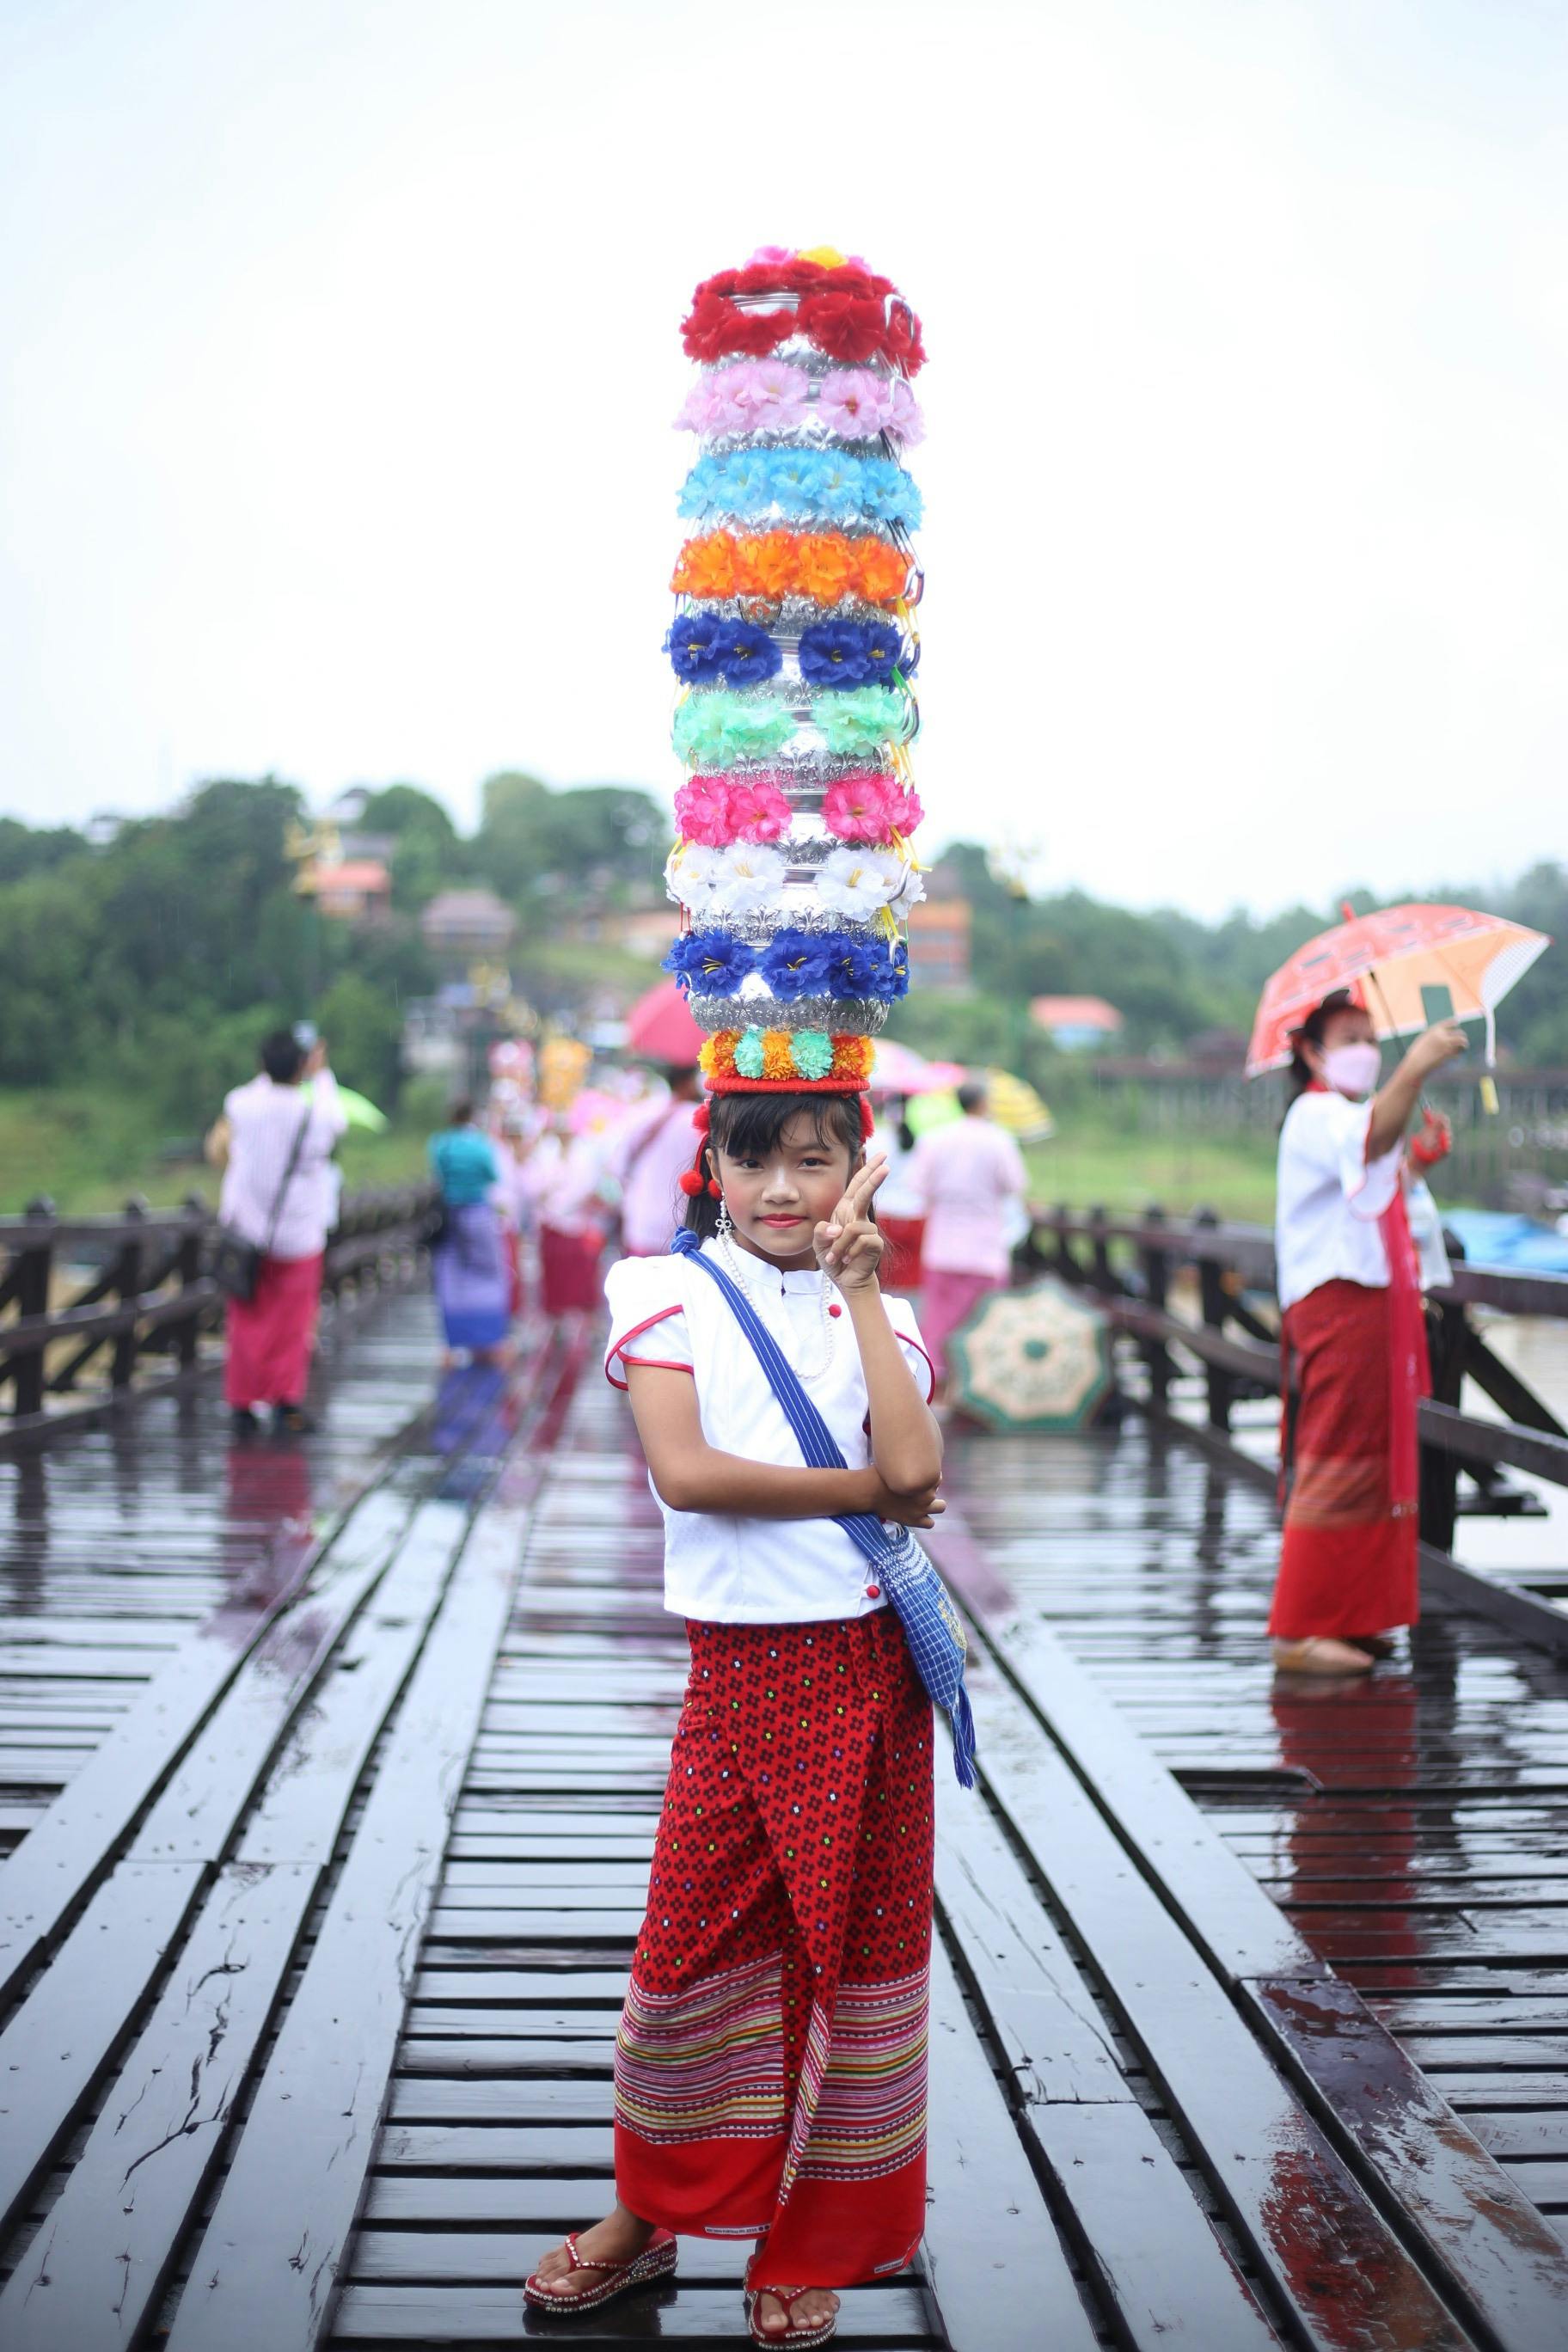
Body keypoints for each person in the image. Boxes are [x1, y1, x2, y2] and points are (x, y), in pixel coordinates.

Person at [524, 1088, 942, 2346]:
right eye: (754, 1161)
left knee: (849, 1960)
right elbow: (688, 1475)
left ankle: (802, 2243)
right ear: (710, 1164)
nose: (780, 1190)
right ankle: (649, 2213)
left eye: (814, 1163)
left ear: (858, 1173)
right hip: (738, 1670)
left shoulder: (896, 1314)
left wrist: (862, 1290)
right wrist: (866, 1485)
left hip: (870, 1671)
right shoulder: (661, 1288)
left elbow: (923, 1467)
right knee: (688, 1952)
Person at [1270, 989, 1465, 1675]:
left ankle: (1349, 1617)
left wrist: (1419, 1163)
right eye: (1350, 1035)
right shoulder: (1317, 1113)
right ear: (1311, 1050)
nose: (1364, 1047)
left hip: (1366, 1302)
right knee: (1336, 1455)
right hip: (1338, 1301)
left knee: (1372, 1462)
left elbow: (1373, 1178)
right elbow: (1372, 1140)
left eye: (1371, 1035)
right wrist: (1415, 1066)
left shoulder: (1342, 1116)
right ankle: (1300, 1630)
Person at [219, 1029, 347, 1436]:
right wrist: (321, 1074)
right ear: (302, 1067)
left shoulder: (242, 1104)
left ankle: (241, 1402)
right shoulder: (314, 1113)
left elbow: (251, 1094)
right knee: (292, 1323)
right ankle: (283, 1402)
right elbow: (338, 1119)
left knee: (246, 1317)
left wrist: (271, 1070)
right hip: (297, 1233)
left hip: (248, 1228)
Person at [905, 1081, 1027, 1391]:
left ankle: (937, 1384)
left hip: (943, 1245)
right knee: (984, 1319)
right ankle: (979, 1384)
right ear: (983, 1103)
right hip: (985, 1247)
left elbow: (917, 1185)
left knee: (939, 1320)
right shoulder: (999, 1140)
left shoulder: (936, 1139)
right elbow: (1015, 1184)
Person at [429, 1099, 512, 1366]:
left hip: (449, 1214)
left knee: (451, 1277)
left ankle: (453, 1343)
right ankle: (492, 1338)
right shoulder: (480, 1144)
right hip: (478, 1213)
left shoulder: (441, 1143)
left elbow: (438, 1173)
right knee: (489, 1273)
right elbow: (492, 1175)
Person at [607, 1063, 705, 1257]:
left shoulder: (642, 1112)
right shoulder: (697, 1120)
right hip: (683, 1226)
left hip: (640, 1222)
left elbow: (616, 1166)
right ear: (688, 1082)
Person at [867, 1093, 926, 1289]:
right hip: (916, 1214)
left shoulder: (877, 1139)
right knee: (913, 1279)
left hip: (885, 1213)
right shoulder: (924, 1140)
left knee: (884, 1275)